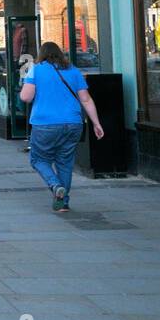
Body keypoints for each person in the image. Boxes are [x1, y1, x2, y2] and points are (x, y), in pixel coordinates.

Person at [19, 41, 104, 213]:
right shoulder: (73, 70)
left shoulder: (36, 69)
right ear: (59, 53)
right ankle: (63, 203)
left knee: (39, 160)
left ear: (41, 54)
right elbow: (86, 99)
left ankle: (55, 185)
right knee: (65, 163)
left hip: (45, 124)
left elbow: (26, 97)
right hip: (73, 124)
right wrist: (96, 123)